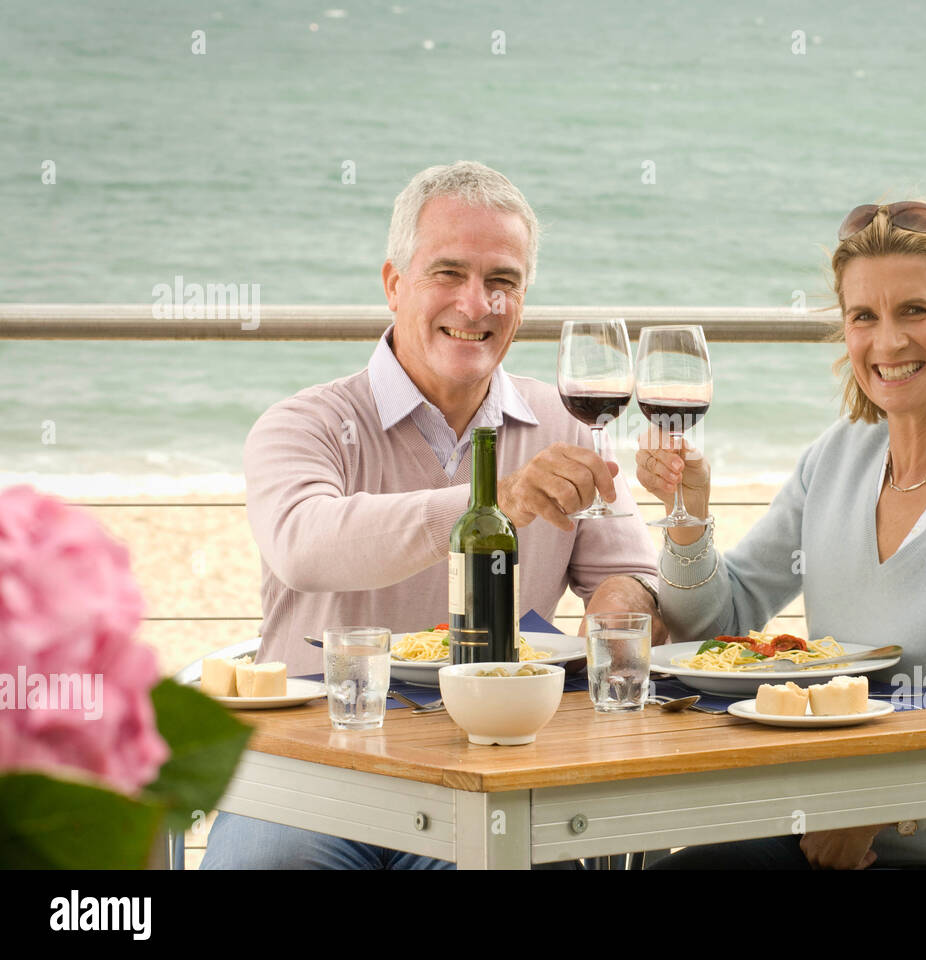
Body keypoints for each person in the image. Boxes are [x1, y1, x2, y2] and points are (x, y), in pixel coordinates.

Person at [203, 161, 662, 870]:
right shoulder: (306, 424)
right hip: (315, 770)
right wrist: (492, 501)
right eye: (448, 273)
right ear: (394, 284)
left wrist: (603, 632)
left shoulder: (564, 424)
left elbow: (631, 576)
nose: (476, 305)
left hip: (492, 774)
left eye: (502, 282)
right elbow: (304, 544)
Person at [638, 200, 926, 869]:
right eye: (865, 316)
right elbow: (720, 617)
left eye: (915, 311)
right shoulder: (841, 455)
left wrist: (886, 804)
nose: (887, 343)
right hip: (809, 824)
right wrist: (687, 517)